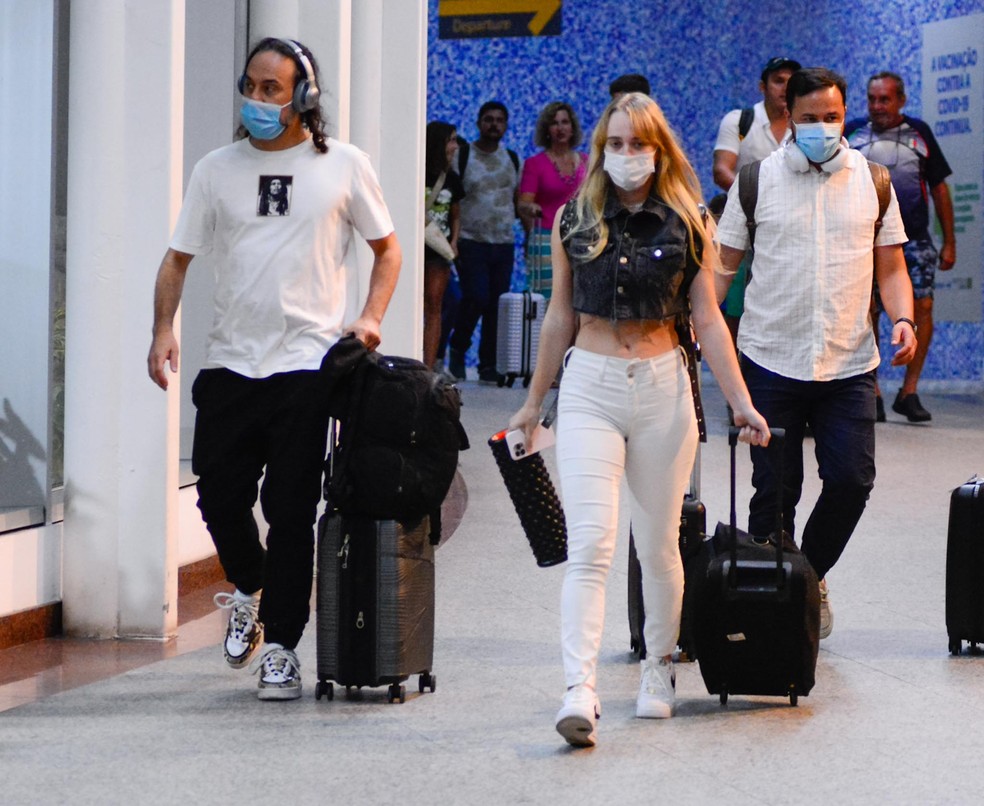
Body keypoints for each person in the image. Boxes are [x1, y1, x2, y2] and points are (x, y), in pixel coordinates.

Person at [509, 92, 770, 747]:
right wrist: (533, 402)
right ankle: (580, 687)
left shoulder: (689, 218)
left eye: (638, 144)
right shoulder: (573, 217)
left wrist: (740, 402)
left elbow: (707, 318)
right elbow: (559, 317)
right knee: (591, 542)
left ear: (659, 149)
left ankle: (659, 667)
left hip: (663, 387)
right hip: (590, 387)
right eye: (615, 144)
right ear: (601, 150)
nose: (626, 157)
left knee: (658, 547)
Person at [146, 38, 401, 700]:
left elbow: (389, 250)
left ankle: (282, 646)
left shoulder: (342, 166)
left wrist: (370, 318)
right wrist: (162, 331)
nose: (258, 100)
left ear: (302, 98)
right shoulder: (215, 169)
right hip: (231, 359)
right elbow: (178, 259)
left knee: (289, 508)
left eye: (273, 89)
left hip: (307, 363)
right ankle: (250, 589)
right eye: (251, 86)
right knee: (217, 493)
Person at [715, 67, 917, 642]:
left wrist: (902, 317)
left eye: (832, 118)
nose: (822, 128)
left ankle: (807, 577)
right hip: (769, 358)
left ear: (843, 114)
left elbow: (892, 269)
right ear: (789, 117)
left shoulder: (874, 182)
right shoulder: (754, 182)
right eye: (809, 119)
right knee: (774, 494)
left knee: (852, 479)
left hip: (849, 364)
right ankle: (767, 611)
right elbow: (722, 266)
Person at [846, 71, 956, 423]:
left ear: (901, 100)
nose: (878, 106)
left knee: (921, 306)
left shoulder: (919, 133)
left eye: (885, 99)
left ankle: (908, 392)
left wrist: (949, 241)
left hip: (916, 239)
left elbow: (939, 189)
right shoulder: (852, 134)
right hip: (864, 240)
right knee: (869, 311)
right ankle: (872, 391)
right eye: (872, 99)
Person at [712, 56, 801, 351]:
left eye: (791, 83)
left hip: (788, 229)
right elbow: (721, 169)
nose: (784, 88)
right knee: (735, 303)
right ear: (763, 86)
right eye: (778, 81)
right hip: (743, 224)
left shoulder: (804, 125)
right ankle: (737, 372)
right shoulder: (739, 121)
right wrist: (754, 198)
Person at [446, 102, 522, 384]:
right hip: (470, 240)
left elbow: (517, 202)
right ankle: (458, 347)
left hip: (503, 242)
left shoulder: (513, 159)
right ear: (478, 122)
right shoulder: (463, 157)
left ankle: (488, 364)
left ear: (506, 125)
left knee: (496, 305)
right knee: (476, 297)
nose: (494, 125)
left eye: (499, 120)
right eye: (488, 119)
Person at [517, 101, 587, 300]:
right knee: (548, 298)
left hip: (580, 236)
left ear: (572, 128)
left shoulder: (586, 163)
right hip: (545, 237)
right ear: (547, 130)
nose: (560, 128)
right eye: (555, 123)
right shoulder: (535, 164)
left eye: (565, 122)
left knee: (579, 297)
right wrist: (530, 208)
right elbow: (523, 203)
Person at [423, 121, 464, 374]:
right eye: (451, 140)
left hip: (439, 250)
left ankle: (428, 365)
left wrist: (454, 242)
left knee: (436, 306)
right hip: (418, 249)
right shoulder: (418, 172)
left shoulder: (452, 179)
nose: (455, 146)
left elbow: (456, 214)